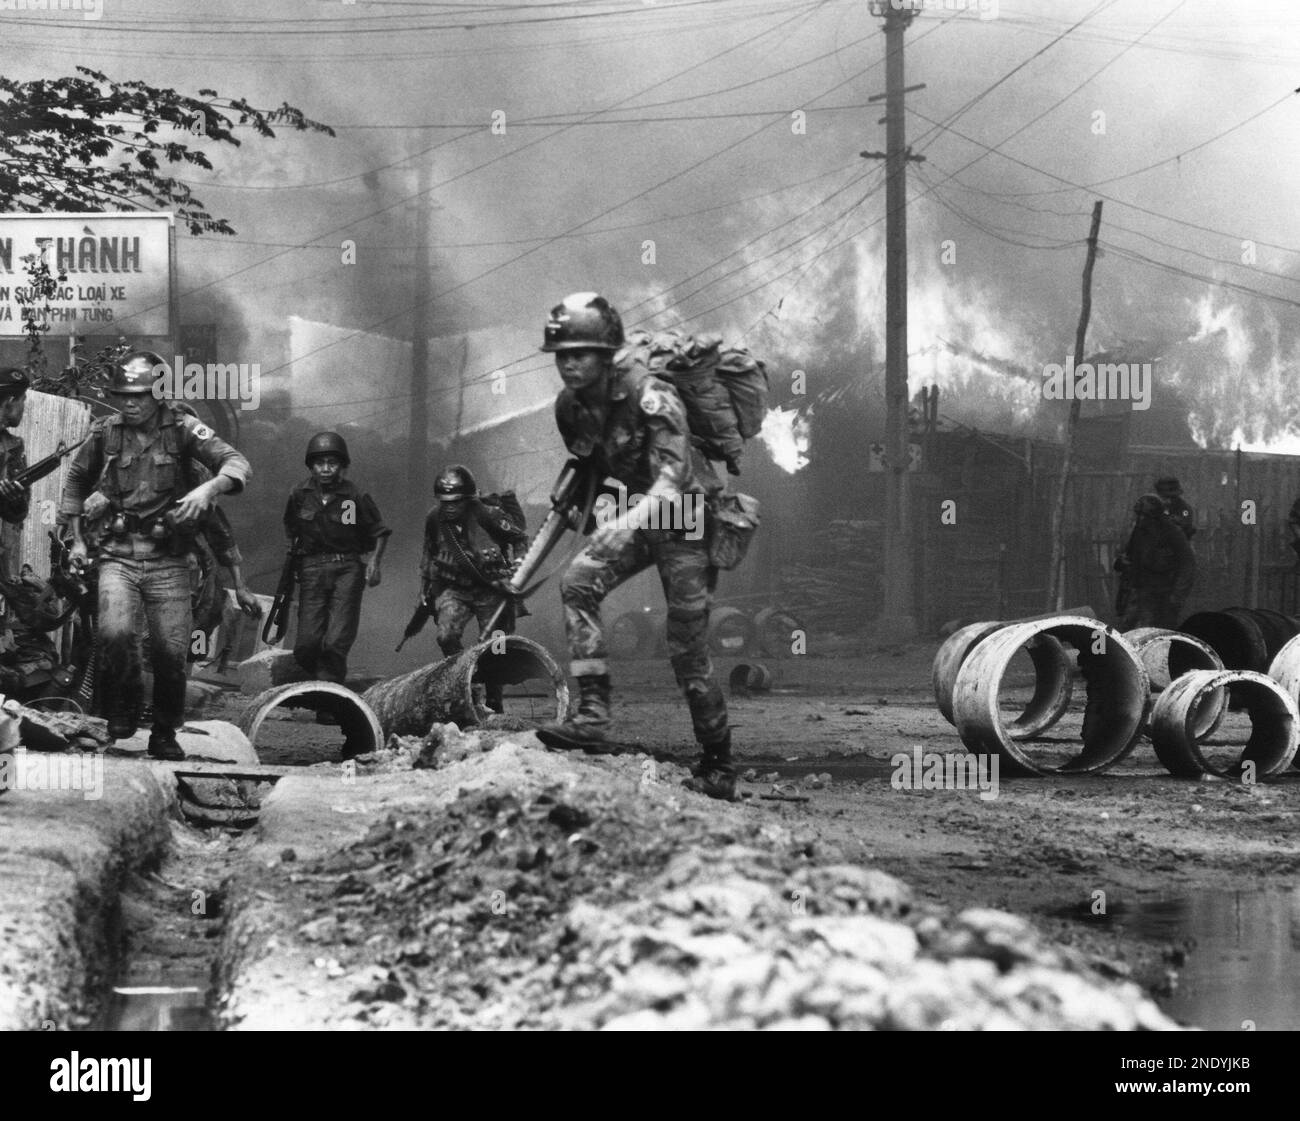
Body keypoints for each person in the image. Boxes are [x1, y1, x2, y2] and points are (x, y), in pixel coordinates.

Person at [533, 292, 736, 800]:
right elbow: (589, 467)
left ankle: (718, 764)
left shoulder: (652, 395)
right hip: (636, 516)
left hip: (687, 518)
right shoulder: (571, 408)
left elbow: (674, 475)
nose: (569, 364)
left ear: (606, 354)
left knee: (686, 650)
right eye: (561, 354)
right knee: (577, 581)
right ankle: (592, 714)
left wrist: (623, 523)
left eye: (580, 353)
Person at [59, 351, 252, 760]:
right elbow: (76, 479)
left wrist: (207, 489)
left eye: (139, 396)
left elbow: (236, 464)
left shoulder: (183, 430)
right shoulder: (104, 433)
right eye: (122, 395)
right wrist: (77, 538)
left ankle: (164, 732)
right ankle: (125, 705)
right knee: (114, 633)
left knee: (170, 653)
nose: (129, 403)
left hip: (169, 561)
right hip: (118, 554)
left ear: (159, 394)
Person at [283, 432, 389, 684]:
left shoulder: (355, 495)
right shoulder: (299, 494)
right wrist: (295, 561)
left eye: (332, 463)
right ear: (311, 466)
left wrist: (374, 562)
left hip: (347, 568)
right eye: (320, 463)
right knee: (306, 645)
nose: (326, 469)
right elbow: (291, 528)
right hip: (312, 568)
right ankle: (324, 680)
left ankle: (328, 697)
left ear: (342, 466)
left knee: (336, 640)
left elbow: (381, 531)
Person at [419, 464, 527, 708]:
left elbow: (519, 537)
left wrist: (518, 568)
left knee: (496, 646)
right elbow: (428, 553)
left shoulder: (487, 514)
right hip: (455, 589)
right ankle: (467, 681)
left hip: (491, 589)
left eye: (455, 501)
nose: (449, 507)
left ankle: (494, 697)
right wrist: (424, 589)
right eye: (444, 501)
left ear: (467, 500)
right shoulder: (434, 518)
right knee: (446, 635)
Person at [1114, 494, 1197, 630]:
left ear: (1155, 517)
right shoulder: (1139, 531)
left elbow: (1188, 564)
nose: (1140, 519)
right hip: (1139, 591)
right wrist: (1122, 563)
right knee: (1126, 630)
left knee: (1154, 632)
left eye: (1144, 516)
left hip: (1162, 595)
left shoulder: (1172, 533)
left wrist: (1177, 595)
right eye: (1139, 515)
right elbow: (1130, 555)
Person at [1154, 475, 1196, 540]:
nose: (1167, 500)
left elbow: (1187, 526)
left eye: (1171, 497)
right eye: (1164, 496)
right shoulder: (1154, 505)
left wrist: (1176, 521)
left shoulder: (1183, 508)